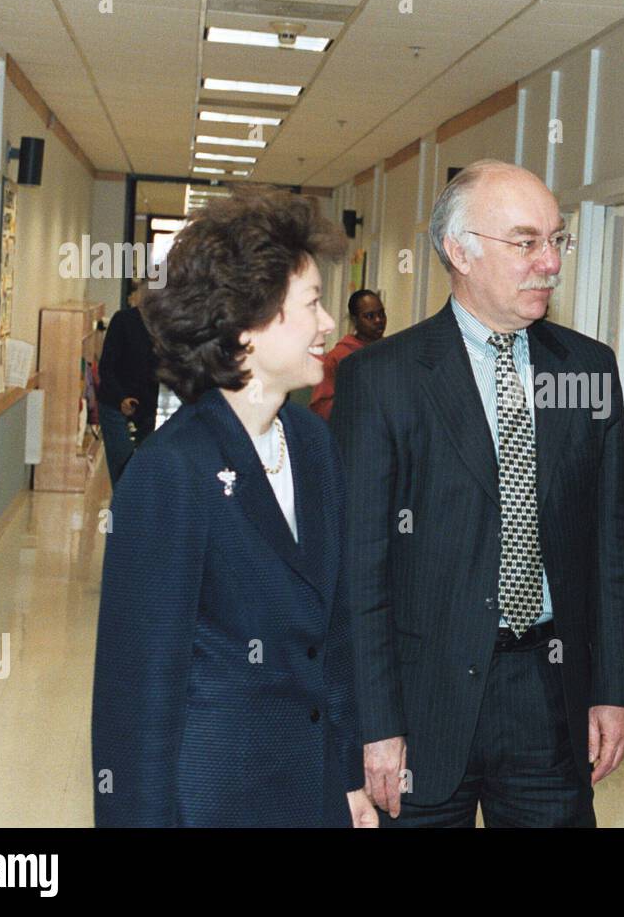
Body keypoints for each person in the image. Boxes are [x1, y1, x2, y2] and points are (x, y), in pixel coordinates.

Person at [331, 159, 624, 827]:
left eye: (557, 240)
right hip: (423, 702)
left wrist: (615, 691)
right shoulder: (383, 379)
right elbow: (360, 571)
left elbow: (612, 545)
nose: (550, 262)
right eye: (526, 242)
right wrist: (373, 723)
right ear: (460, 252)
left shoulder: (587, 370)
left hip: (547, 696)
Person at [92, 187, 377, 828]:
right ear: (245, 330)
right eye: (311, 304)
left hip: (311, 789)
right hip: (213, 798)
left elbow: (334, 634)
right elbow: (136, 693)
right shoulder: (170, 474)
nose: (329, 323)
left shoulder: (312, 445)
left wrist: (350, 775)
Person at [96, 289, 159, 486]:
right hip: (114, 403)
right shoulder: (123, 320)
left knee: (142, 466)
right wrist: (120, 398)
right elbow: (106, 366)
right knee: (122, 464)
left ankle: (135, 510)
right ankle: (123, 510)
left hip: (147, 407)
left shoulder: (162, 327)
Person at [308, 289, 385, 420]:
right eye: (369, 316)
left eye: (381, 314)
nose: (378, 320)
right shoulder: (339, 357)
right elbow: (320, 407)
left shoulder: (389, 352)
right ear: (355, 320)